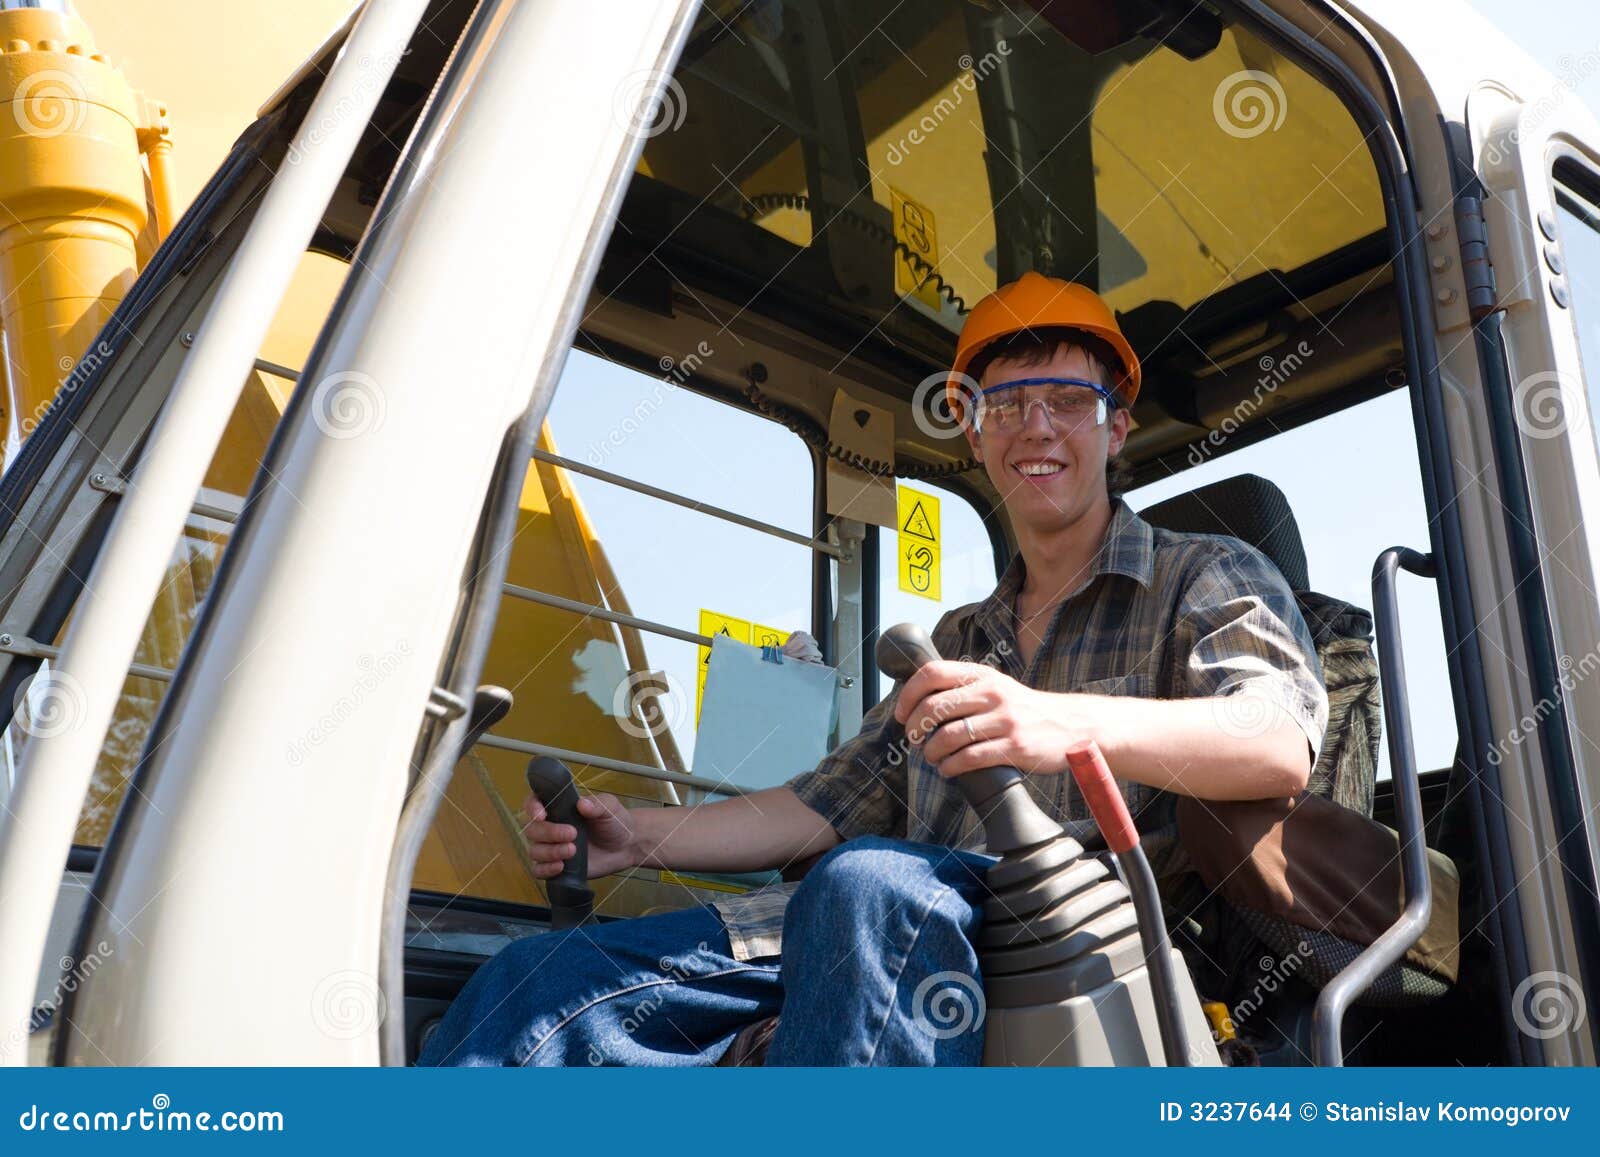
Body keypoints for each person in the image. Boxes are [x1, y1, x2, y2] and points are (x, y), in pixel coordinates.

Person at [419, 272, 1328, 1067]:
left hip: (1053, 944)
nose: (1034, 428)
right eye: (1003, 405)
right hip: (845, 931)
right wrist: (641, 837)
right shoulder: (960, 638)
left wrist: (1059, 722)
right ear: (972, 433)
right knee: (535, 983)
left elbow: (1278, 737)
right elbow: (815, 807)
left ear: (1115, 424)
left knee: (867, 882)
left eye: (1064, 400)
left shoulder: (1205, 574)